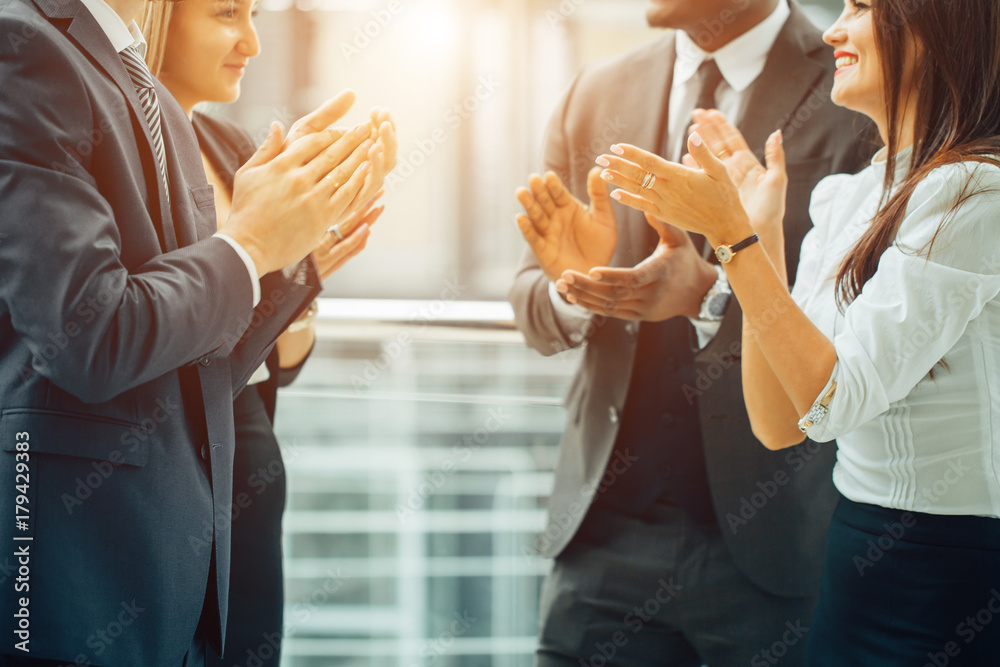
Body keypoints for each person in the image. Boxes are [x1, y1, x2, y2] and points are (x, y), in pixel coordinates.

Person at [587, 0, 1000, 664]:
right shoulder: (848, 198)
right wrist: (761, 234)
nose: (833, 29)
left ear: (935, 25)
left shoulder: (974, 195)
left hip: (954, 567)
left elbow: (832, 400)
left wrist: (734, 236)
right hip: (855, 549)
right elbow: (780, 420)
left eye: (860, 7)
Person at [0, 0, 395, 661]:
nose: (252, 42)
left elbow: (199, 371)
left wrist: (281, 253)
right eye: (226, 13)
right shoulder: (23, 45)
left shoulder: (150, 95)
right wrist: (252, 243)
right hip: (74, 579)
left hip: (176, 580)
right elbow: (88, 338)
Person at [510, 0, 871, 664]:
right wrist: (578, 289)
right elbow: (530, 298)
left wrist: (711, 294)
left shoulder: (857, 87)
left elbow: (860, 323)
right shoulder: (596, 91)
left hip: (780, 542)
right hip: (600, 541)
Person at [137, 1, 394, 663]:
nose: (250, 41)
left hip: (248, 463)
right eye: (227, 14)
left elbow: (278, 361)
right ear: (159, 16)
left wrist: (301, 274)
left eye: (254, 14)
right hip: (167, 473)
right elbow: (154, 335)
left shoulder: (232, 148)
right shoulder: (128, 156)